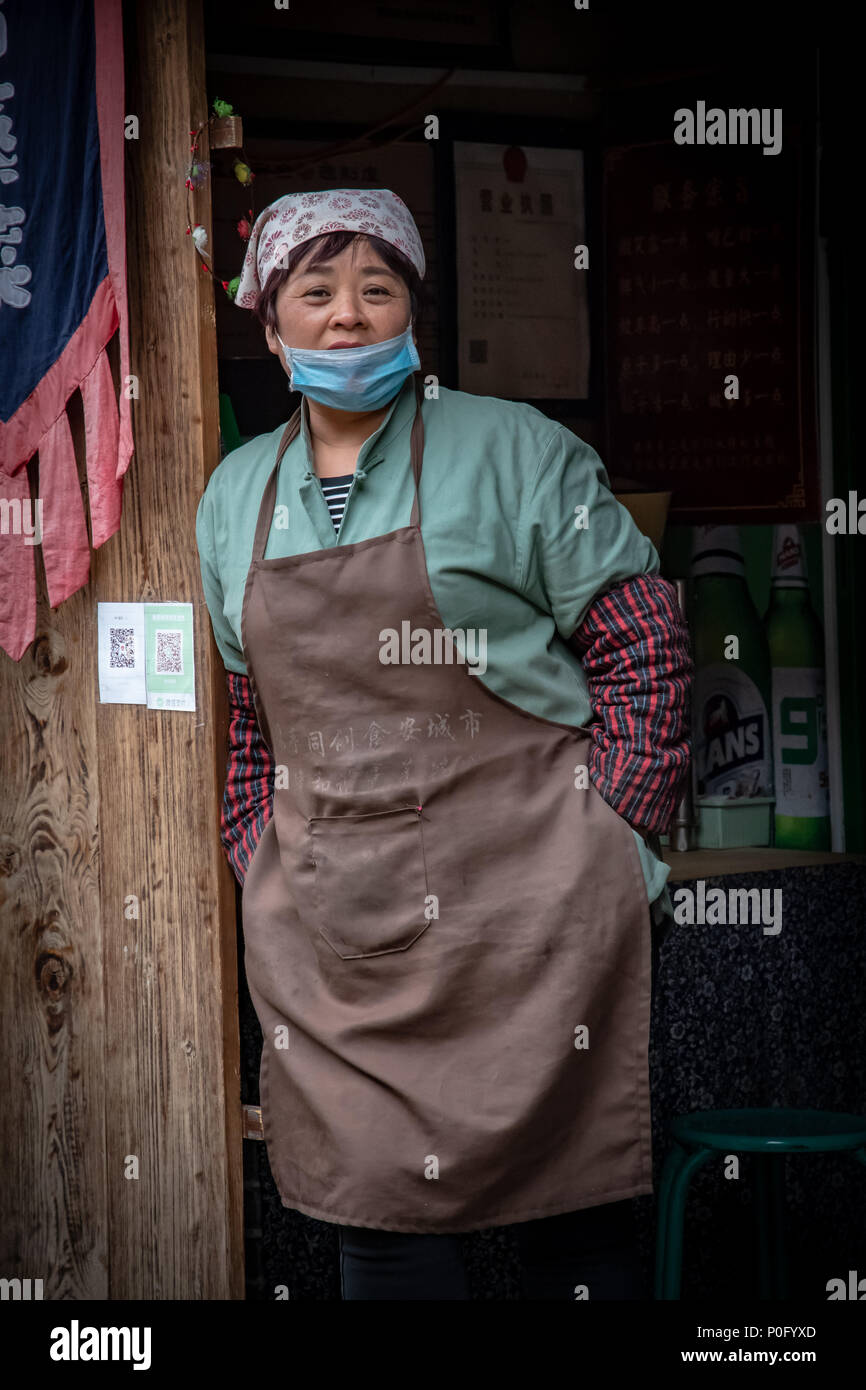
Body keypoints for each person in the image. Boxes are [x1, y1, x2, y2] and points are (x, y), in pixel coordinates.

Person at [195, 188, 693, 1300]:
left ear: (412, 312)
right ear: (269, 332)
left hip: (536, 908)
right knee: (384, 1229)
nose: (347, 317)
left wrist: (617, 830)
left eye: (377, 289)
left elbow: (640, 636)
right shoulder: (233, 497)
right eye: (313, 294)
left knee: (578, 1224)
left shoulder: (516, 450)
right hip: (338, 937)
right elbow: (244, 718)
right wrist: (257, 856)